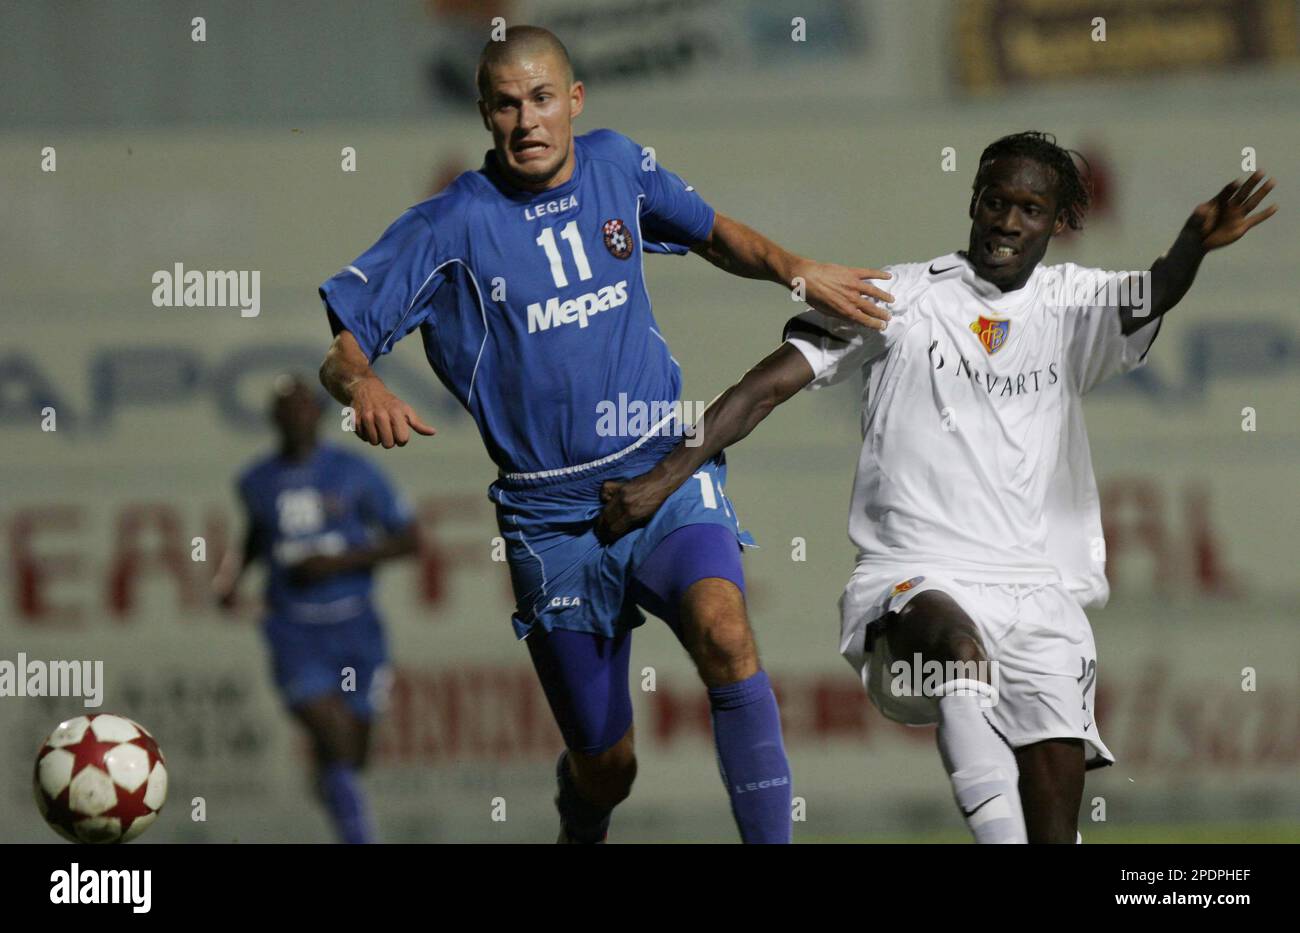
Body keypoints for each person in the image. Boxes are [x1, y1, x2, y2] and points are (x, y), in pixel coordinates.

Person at [595, 132, 1277, 843]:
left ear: (1056, 222)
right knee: (958, 650)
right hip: (913, 579)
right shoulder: (899, 299)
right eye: (996, 201)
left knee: (1055, 824)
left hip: (1040, 597)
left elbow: (1155, 288)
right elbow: (761, 390)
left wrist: (1194, 241)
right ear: (974, 200)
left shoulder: (1074, 304)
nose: (1008, 222)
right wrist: (662, 479)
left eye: (1031, 209)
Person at [316, 25, 893, 843]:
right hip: (552, 521)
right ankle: (579, 823)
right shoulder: (447, 225)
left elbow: (715, 233)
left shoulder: (618, 163)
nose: (528, 121)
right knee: (606, 764)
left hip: (662, 463)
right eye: (508, 105)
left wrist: (800, 269)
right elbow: (340, 353)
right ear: (485, 113)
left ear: (575, 101)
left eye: (543, 99)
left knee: (725, 632)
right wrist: (364, 382)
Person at [213, 375, 419, 843]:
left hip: (357, 626)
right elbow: (255, 536)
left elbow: (409, 540)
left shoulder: (355, 473)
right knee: (334, 737)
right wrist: (231, 579)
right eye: (286, 408)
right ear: (274, 419)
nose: (297, 416)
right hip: (293, 629)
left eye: (305, 407)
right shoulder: (256, 481)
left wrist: (341, 560)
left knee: (354, 753)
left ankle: (334, 786)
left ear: (321, 415)